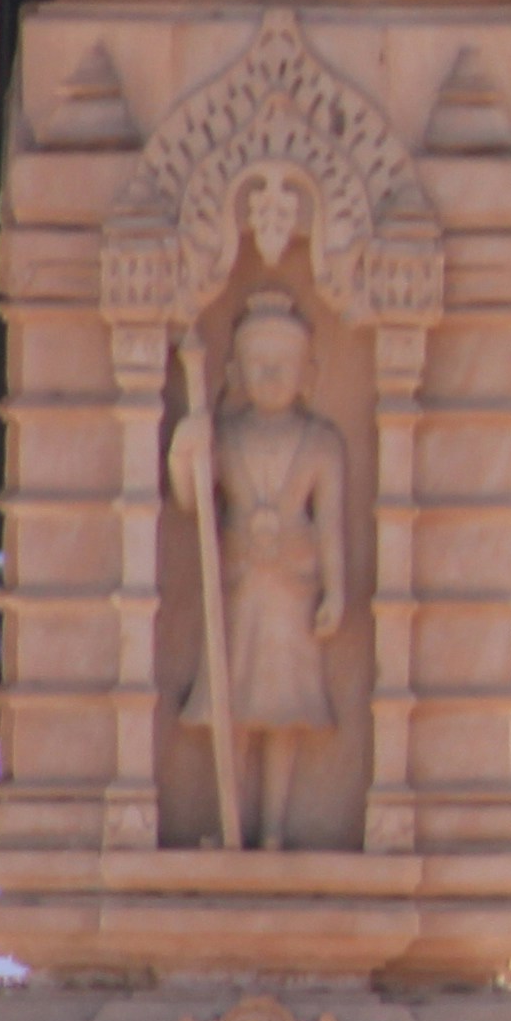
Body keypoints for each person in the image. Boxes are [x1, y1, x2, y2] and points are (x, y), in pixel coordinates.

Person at [174, 250, 346, 852]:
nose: (271, 376)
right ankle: (231, 825)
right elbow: (192, 500)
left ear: (307, 371)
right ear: (239, 370)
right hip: (242, 585)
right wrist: (185, 449)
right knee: (234, 706)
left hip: (292, 586)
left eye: (284, 364)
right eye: (259, 364)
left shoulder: (321, 444)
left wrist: (337, 591)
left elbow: (330, 526)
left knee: (285, 713)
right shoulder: (229, 433)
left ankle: (272, 830)